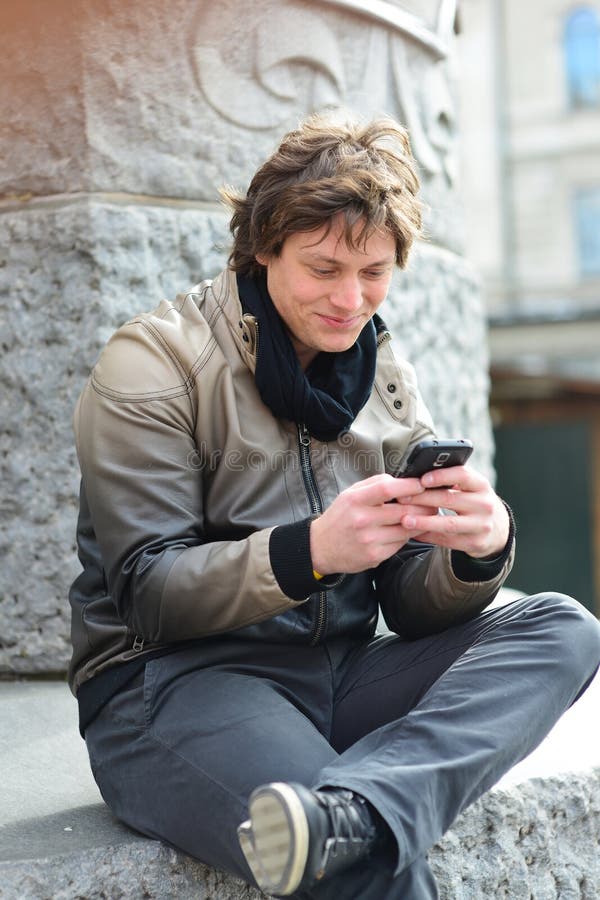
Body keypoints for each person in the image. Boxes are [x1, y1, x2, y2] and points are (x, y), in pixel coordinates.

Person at [69, 112, 600, 899]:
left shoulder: (384, 375)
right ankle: (361, 820)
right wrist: (310, 551)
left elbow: (412, 607)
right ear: (261, 249)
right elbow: (148, 594)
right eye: (323, 270)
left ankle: (362, 804)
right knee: (370, 865)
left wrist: (471, 554)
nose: (351, 301)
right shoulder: (154, 362)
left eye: (375, 274)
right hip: (175, 685)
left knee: (562, 624)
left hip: (341, 676)